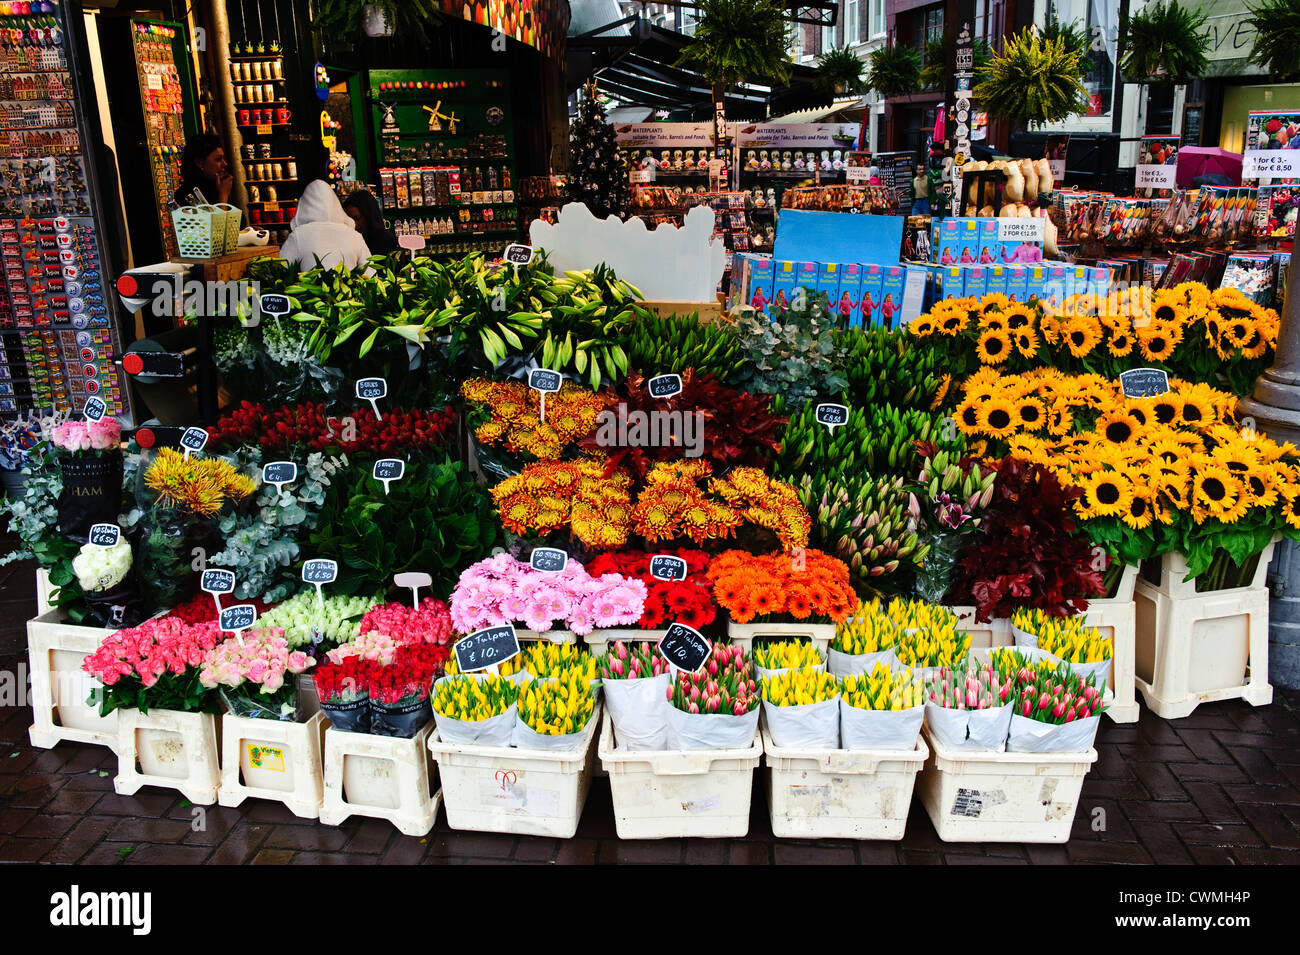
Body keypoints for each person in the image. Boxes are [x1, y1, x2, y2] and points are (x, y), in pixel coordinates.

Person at [278, 180, 372, 273]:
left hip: (309, 288)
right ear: (335, 204)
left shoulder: (298, 236)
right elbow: (370, 273)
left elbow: (281, 272)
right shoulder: (354, 236)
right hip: (348, 288)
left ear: (304, 206)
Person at [174, 133, 233, 207]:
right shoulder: (187, 195)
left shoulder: (218, 186)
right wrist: (223, 195)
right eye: (218, 160)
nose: (225, 164)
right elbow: (218, 218)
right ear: (200, 163)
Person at [342, 190, 400, 255]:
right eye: (349, 219)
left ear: (368, 215)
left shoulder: (386, 241)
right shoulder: (349, 240)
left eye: (357, 218)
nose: (354, 224)